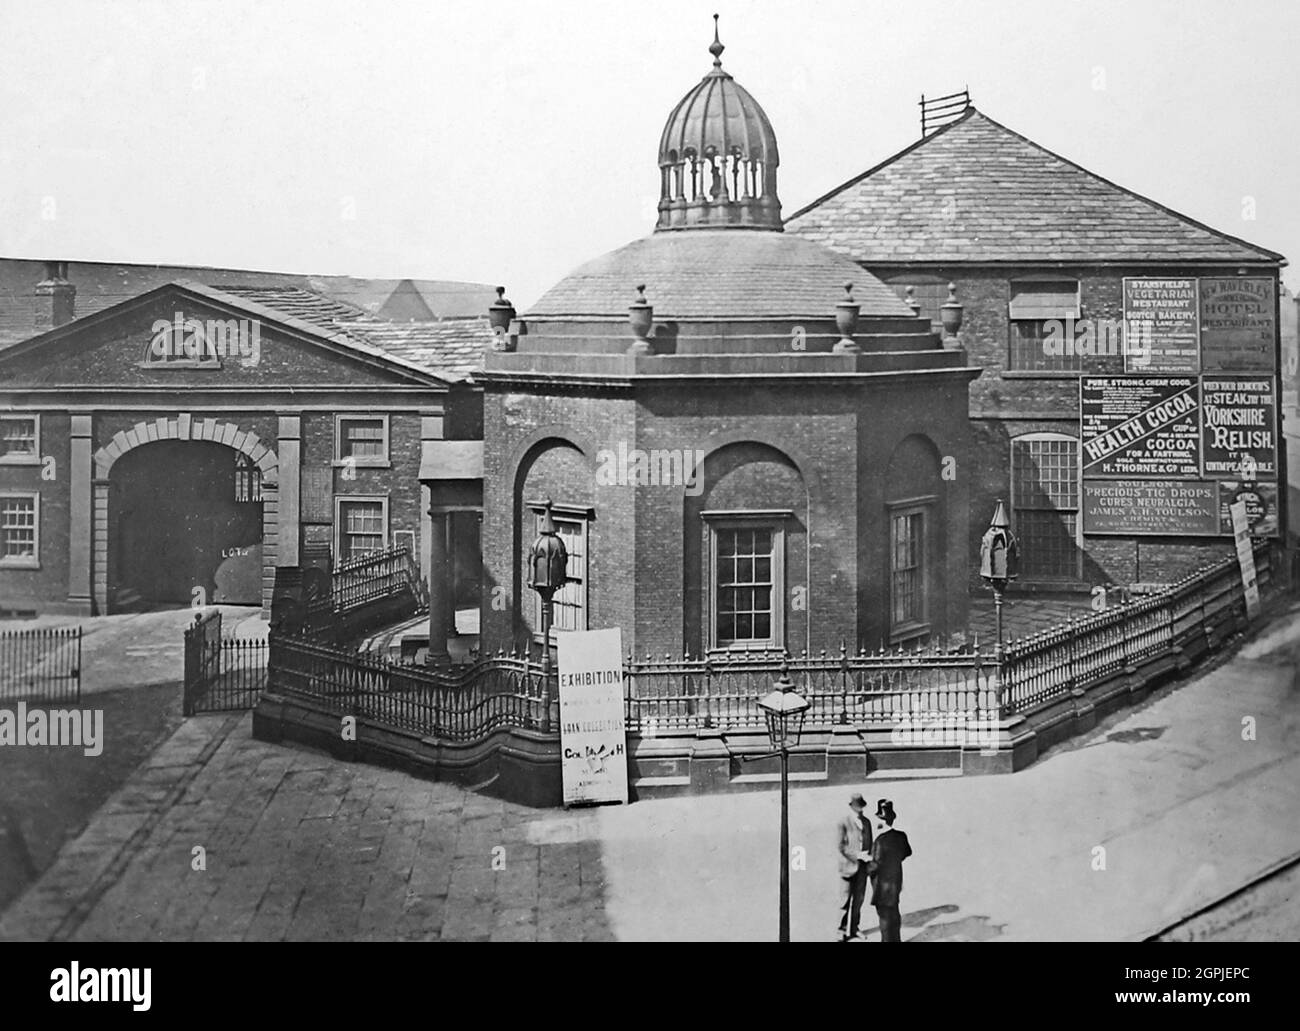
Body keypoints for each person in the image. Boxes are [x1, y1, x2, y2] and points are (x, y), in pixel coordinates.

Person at [867, 798, 912, 942]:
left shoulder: (880, 841)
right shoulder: (901, 836)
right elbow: (907, 852)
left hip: (882, 886)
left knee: (885, 917)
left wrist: (864, 866)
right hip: (896, 881)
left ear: (881, 821)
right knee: (894, 913)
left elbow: (875, 866)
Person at [836, 792, 872, 941]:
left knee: (859, 900)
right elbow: (840, 846)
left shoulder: (867, 822)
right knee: (844, 901)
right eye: (858, 807)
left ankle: (854, 928)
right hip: (847, 868)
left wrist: (870, 858)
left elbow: (870, 842)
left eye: (861, 807)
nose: (860, 809)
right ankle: (841, 930)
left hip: (863, 868)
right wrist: (858, 855)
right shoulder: (843, 822)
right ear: (851, 807)